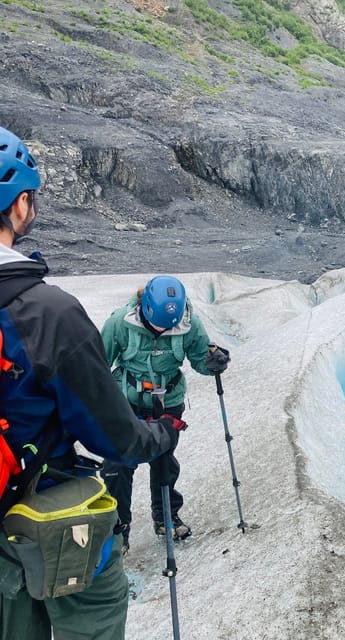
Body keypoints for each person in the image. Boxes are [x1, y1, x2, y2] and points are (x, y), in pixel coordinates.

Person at [0, 127, 186, 638]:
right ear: (20, 205)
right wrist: (163, 432)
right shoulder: (45, 313)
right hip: (42, 514)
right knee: (97, 610)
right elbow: (116, 436)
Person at [100, 274, 230, 552]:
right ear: (145, 308)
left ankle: (166, 517)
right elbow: (99, 360)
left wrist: (213, 362)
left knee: (163, 461)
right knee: (119, 465)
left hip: (167, 402)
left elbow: (199, 360)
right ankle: (118, 528)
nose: (163, 330)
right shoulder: (120, 323)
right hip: (127, 401)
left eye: (168, 325)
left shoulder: (188, 324)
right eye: (158, 324)